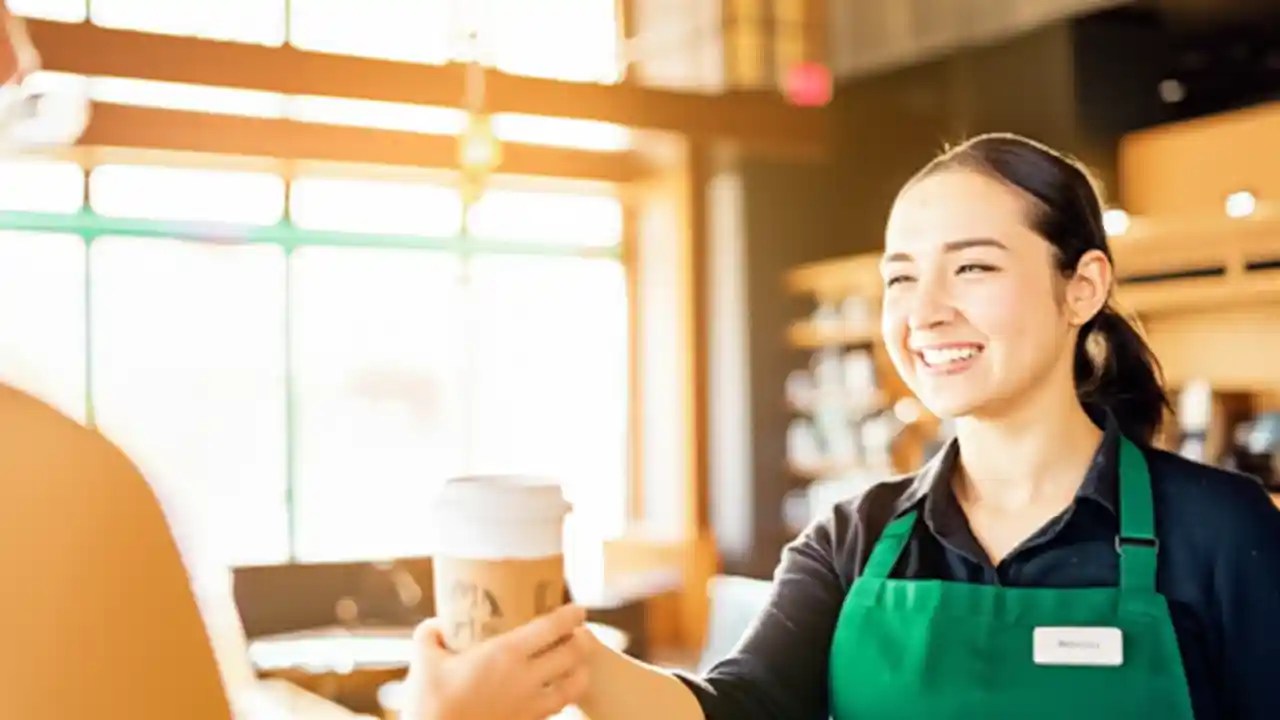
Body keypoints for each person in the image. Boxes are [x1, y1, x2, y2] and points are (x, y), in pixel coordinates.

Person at [401, 133, 1280, 719]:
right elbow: (737, 710)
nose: (925, 312)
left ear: (1081, 288)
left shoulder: (1220, 530)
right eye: (901, 279)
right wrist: (563, 659)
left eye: (971, 267)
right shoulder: (856, 539)